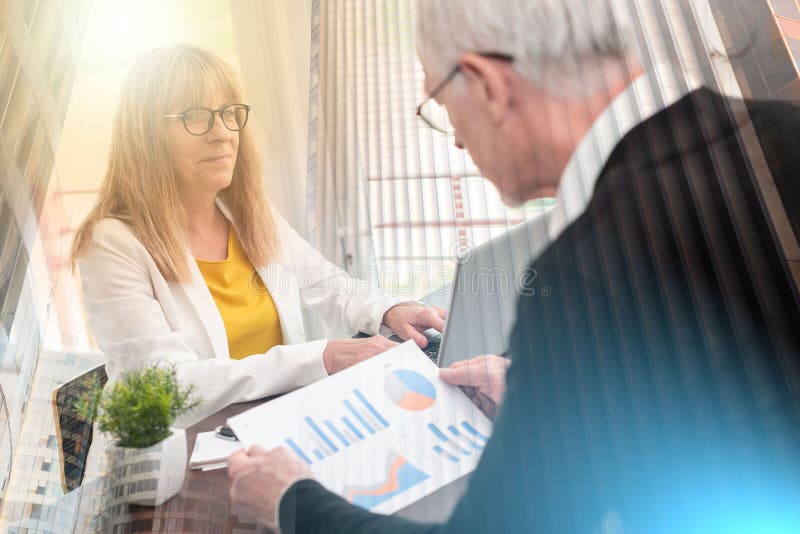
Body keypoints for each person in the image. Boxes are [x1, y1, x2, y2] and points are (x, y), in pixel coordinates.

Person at [228, 0, 800, 532]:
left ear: (489, 86)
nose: (455, 141)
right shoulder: (785, 134)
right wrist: (552, 397)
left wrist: (292, 499)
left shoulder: (585, 274)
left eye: (443, 106)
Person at [72, 45, 446, 426]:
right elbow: (168, 388)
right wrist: (322, 357)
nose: (222, 133)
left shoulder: (247, 213)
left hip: (278, 428)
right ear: (146, 135)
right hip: (184, 456)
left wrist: (390, 309)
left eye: (229, 113)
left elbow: (330, 285)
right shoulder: (111, 245)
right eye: (196, 116)